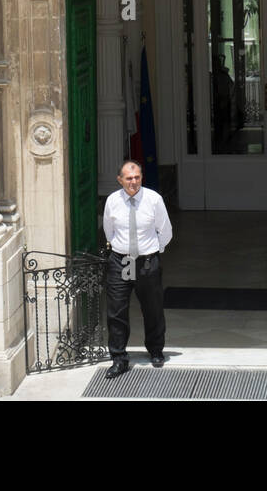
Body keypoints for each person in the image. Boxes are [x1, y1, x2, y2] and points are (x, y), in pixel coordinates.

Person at [102, 159, 173, 380]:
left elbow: (166, 230)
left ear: (141, 178)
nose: (133, 182)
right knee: (117, 310)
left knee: (152, 308)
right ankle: (119, 358)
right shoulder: (113, 201)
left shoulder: (154, 200)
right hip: (121, 261)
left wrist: (153, 251)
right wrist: (121, 249)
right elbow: (108, 231)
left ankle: (155, 350)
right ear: (120, 180)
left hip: (147, 262)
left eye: (137, 177)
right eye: (129, 178)